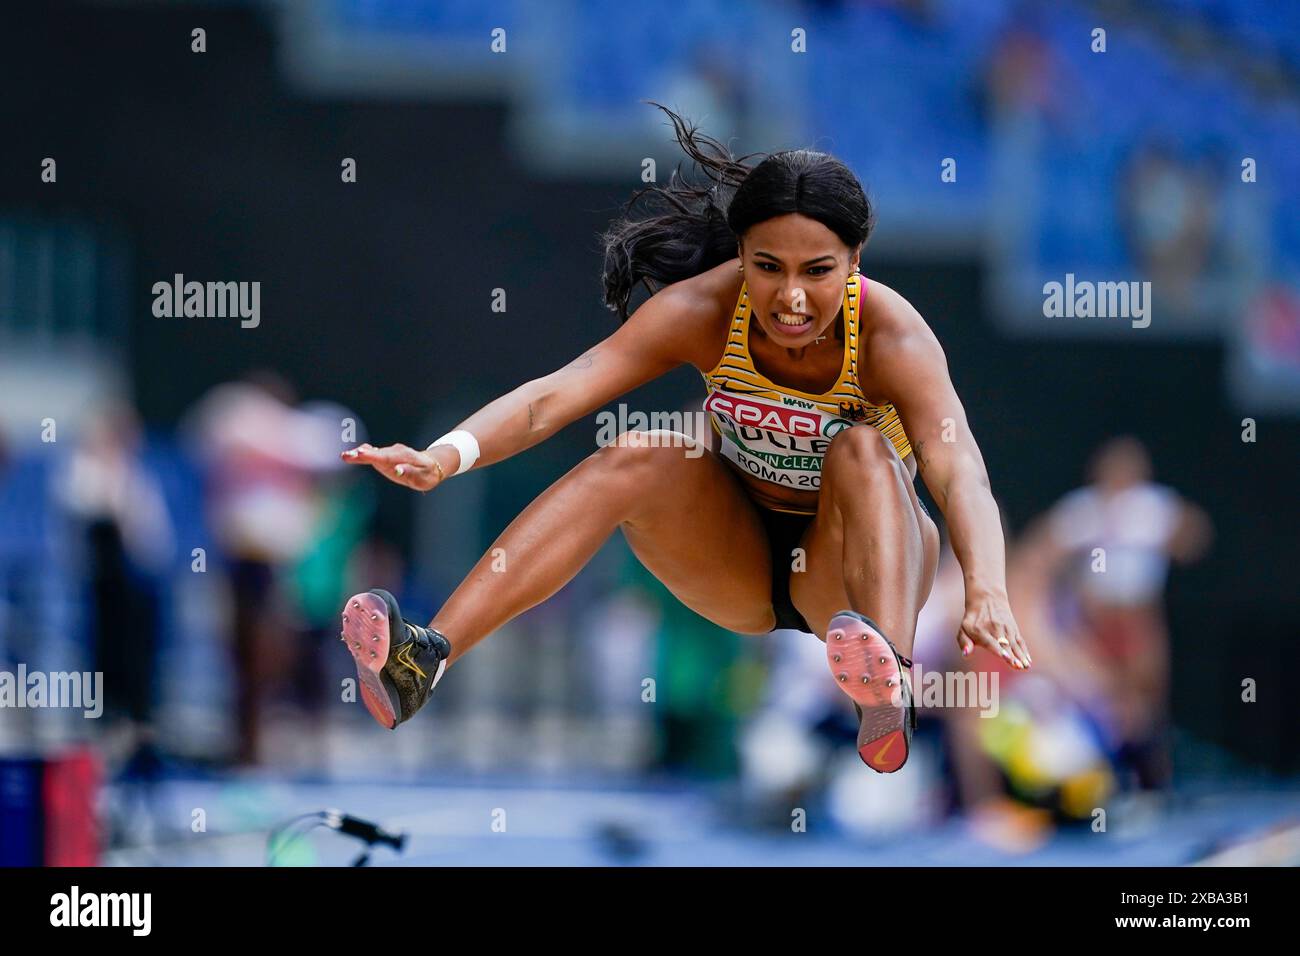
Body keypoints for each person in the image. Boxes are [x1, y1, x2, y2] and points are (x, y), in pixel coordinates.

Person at [338, 104, 1031, 773]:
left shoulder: (891, 335)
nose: (791, 298)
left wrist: (987, 588)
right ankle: (424, 659)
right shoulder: (705, 309)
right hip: (734, 562)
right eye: (768, 267)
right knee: (641, 449)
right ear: (743, 256)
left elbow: (957, 469)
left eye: (817, 271)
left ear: (856, 259)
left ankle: (889, 685)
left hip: (852, 573)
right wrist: (444, 456)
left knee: (862, 449)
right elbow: (558, 394)